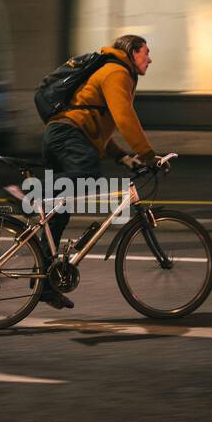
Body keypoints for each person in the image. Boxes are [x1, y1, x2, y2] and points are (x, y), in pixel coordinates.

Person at [31, 34, 165, 310]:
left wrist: (123, 156)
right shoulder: (117, 72)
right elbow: (124, 118)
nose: (150, 59)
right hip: (67, 135)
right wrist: (149, 155)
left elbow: (96, 128)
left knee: (58, 213)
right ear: (132, 52)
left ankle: (45, 285)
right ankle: (29, 192)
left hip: (61, 135)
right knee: (88, 173)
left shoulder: (112, 70)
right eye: (146, 52)